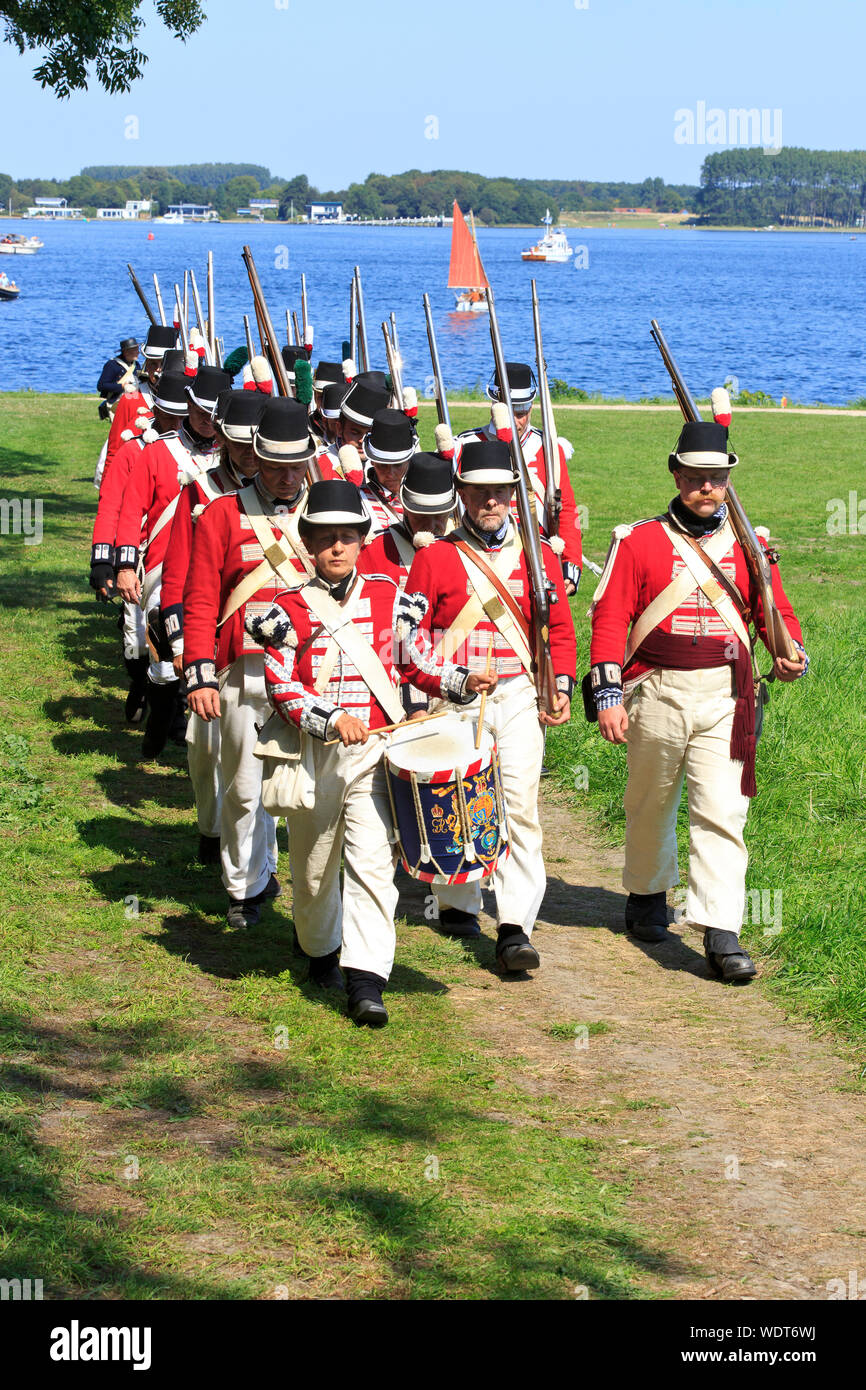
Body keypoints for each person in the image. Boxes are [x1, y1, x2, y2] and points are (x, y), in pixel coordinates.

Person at [588, 419, 808, 982]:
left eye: (715, 479)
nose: (705, 488)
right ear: (676, 474)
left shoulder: (750, 545)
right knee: (650, 800)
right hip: (657, 690)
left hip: (728, 695)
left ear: (728, 481)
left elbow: (774, 611)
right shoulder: (638, 541)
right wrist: (608, 692)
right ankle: (646, 893)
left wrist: (791, 650)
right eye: (695, 477)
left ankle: (720, 928)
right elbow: (611, 616)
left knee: (722, 812)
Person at [394, 440, 576, 970]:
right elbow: (405, 642)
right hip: (456, 701)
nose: (490, 501)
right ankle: (458, 899)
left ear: (513, 495)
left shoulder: (540, 554)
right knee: (459, 801)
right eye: (479, 492)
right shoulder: (434, 557)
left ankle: (515, 924)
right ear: (462, 495)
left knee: (518, 806)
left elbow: (558, 629)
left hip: (518, 695)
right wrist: (452, 679)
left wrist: (558, 684)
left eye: (500, 491)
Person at [248, 480, 411, 1026]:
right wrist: (331, 718)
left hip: (374, 756)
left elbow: (416, 663)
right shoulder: (285, 607)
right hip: (314, 756)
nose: (337, 548)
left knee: (372, 866)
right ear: (309, 544)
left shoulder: (391, 594)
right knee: (315, 871)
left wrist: (461, 680)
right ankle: (320, 951)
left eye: (348, 537)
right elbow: (281, 686)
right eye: (326, 538)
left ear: (364, 540)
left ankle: (367, 980)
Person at [182, 397, 316, 929]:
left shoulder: (329, 512)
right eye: (276, 465)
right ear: (255, 457)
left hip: (314, 669)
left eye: (295, 465)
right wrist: (199, 671)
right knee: (242, 784)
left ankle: (309, 883)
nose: (286, 477)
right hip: (247, 666)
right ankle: (245, 888)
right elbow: (199, 600)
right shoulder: (221, 514)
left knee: (313, 782)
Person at [160, 389, 268, 864]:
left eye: (254, 444)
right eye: (238, 442)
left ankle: (254, 858)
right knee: (205, 748)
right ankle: (210, 824)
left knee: (257, 763)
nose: (247, 452)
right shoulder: (200, 489)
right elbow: (179, 572)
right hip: (212, 638)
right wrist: (184, 643)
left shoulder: (289, 494)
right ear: (222, 437)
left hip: (263, 645)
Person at [113, 366, 228, 757]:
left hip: (216, 564)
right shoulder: (158, 451)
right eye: (200, 413)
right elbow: (131, 511)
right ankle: (163, 717)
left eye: (215, 416)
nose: (207, 422)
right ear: (188, 406)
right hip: (165, 566)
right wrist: (126, 566)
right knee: (164, 646)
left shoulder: (233, 460)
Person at [456, 361, 584, 594]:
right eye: (508, 412)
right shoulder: (466, 445)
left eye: (521, 413)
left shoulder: (547, 448)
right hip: (476, 552)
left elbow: (565, 509)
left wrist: (570, 562)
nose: (516, 421)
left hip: (535, 555)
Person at [358, 451, 456, 589]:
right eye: (421, 516)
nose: (430, 526)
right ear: (404, 508)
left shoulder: (461, 547)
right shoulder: (374, 552)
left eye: (440, 516)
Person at [358, 408, 417, 536]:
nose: (391, 473)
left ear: (408, 461)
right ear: (372, 461)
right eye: (383, 465)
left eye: (398, 465)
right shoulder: (360, 499)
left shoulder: (421, 493)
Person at [97, 337, 141, 406]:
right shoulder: (112, 365)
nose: (138, 352)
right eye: (135, 350)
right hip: (116, 403)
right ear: (126, 352)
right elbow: (101, 386)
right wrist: (122, 386)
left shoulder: (136, 365)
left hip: (133, 402)